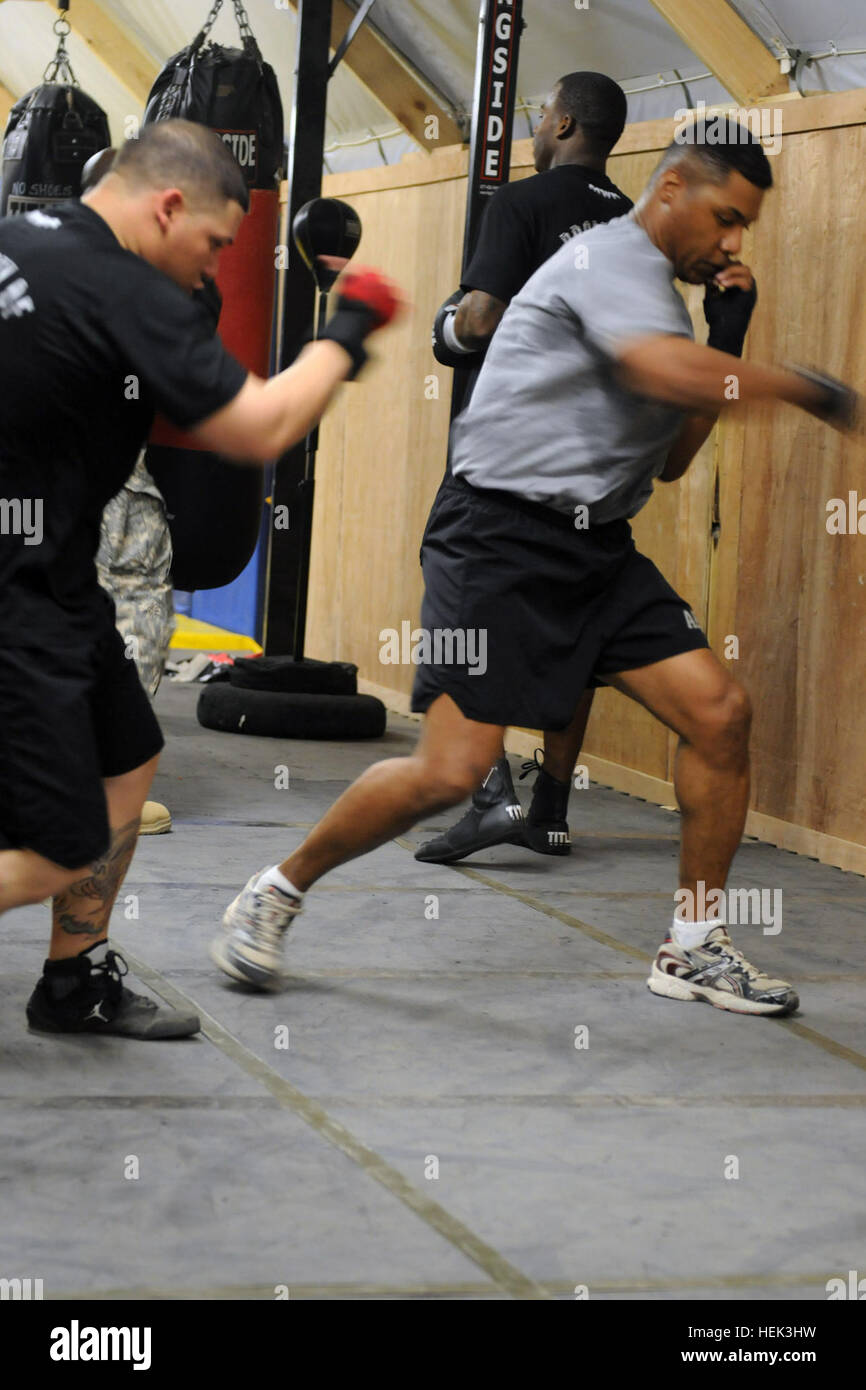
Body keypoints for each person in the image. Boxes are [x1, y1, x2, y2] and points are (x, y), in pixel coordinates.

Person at [214, 119, 859, 1016]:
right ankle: (277, 888)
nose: (732, 242)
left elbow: (671, 460)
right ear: (670, 189)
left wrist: (731, 337)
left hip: (596, 552)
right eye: (725, 217)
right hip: (501, 540)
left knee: (719, 715)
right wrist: (813, 390)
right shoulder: (606, 265)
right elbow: (658, 371)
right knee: (449, 771)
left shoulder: (665, 308)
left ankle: (694, 946)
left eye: (745, 228)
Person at [0, 119, 399, 1038]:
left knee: (128, 756)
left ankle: (74, 979)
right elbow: (258, 428)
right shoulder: (123, 283)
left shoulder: (21, 243)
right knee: (57, 850)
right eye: (215, 243)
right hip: (17, 586)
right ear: (167, 205)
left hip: (56, 571)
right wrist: (349, 325)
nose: (217, 268)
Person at [421, 70, 633, 865]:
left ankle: (489, 795)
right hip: (595, 468)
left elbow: (479, 318)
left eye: (542, 113)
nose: (536, 126)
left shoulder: (518, 203)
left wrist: (445, 327)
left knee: (460, 610)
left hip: (507, 462)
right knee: (573, 629)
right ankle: (551, 808)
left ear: (566, 121)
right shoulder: (636, 224)